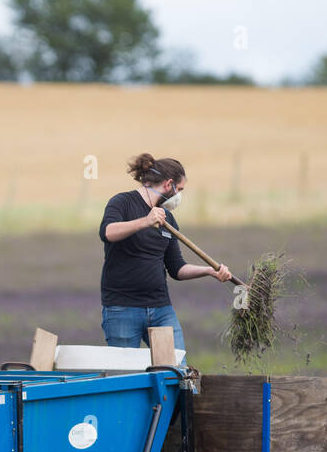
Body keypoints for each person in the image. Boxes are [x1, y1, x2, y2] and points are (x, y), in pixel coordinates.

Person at [99, 154, 232, 360]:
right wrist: (145, 221)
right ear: (169, 184)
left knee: (177, 370)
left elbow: (176, 268)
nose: (179, 195)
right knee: (123, 376)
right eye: (180, 190)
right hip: (122, 309)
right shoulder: (122, 202)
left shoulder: (167, 218)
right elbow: (107, 232)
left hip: (161, 309)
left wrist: (209, 271)